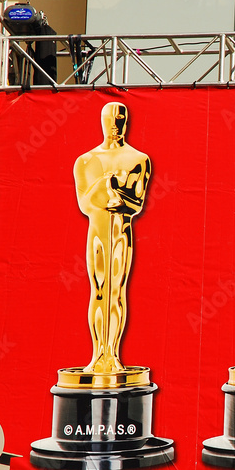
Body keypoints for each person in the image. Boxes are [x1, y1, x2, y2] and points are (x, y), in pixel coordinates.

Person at [73, 101, 151, 375]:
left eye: (122, 118)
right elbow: (85, 203)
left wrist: (111, 194)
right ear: (103, 121)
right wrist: (109, 185)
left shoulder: (138, 160)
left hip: (121, 232)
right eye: (112, 118)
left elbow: (135, 204)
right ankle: (98, 355)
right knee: (99, 290)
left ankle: (112, 354)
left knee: (116, 292)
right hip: (97, 231)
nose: (117, 123)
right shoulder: (86, 160)